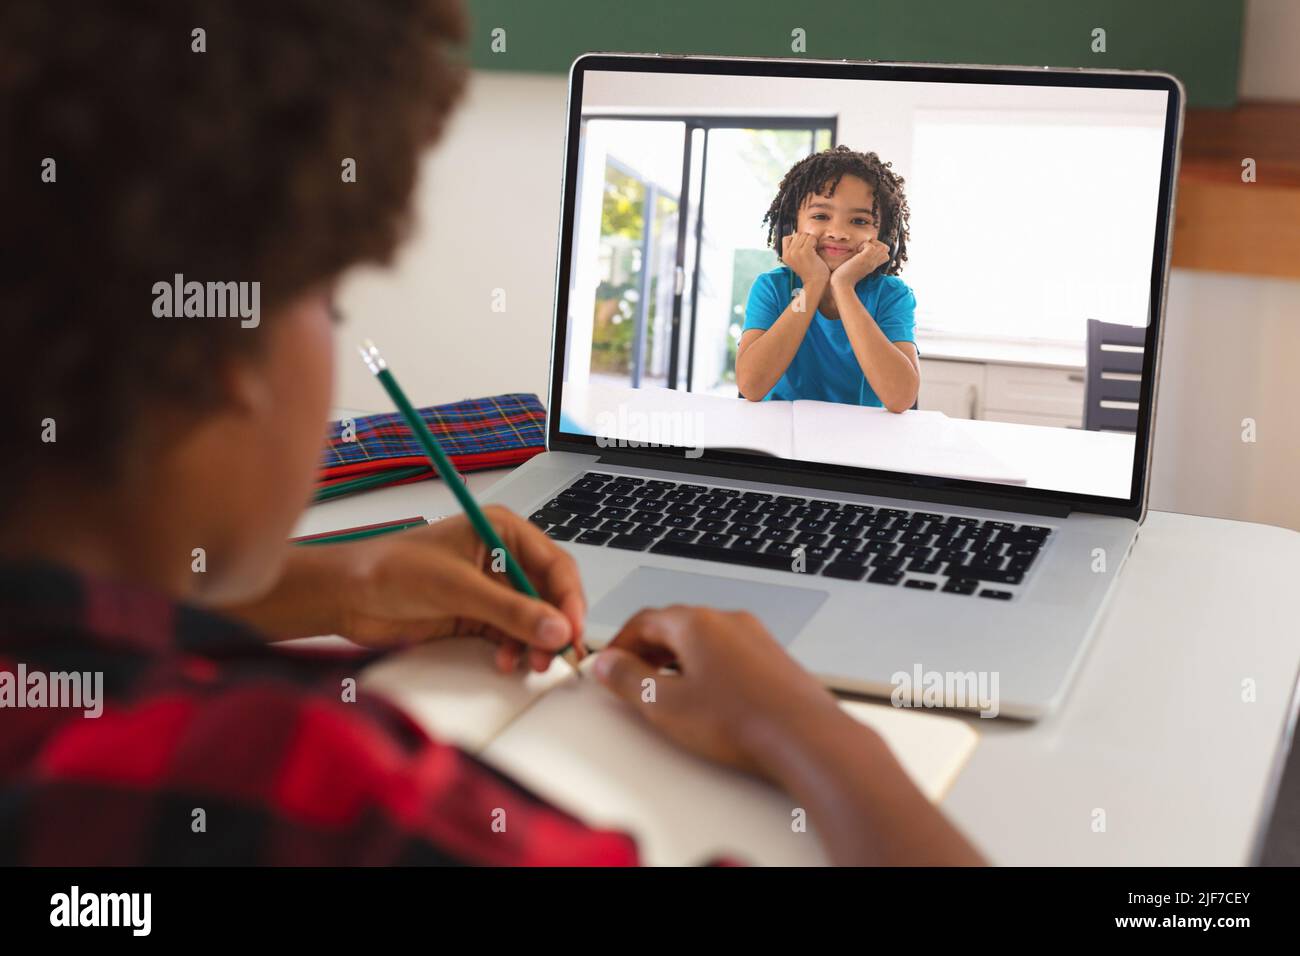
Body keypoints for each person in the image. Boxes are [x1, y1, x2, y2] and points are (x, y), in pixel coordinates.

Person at [0, 0, 983, 866]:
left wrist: (338, 579)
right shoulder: (296, 785)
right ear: (230, 361)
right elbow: (753, 380)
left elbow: (899, 398)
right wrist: (814, 729)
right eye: (329, 299)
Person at [738, 146, 922, 411]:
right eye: (821, 216)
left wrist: (843, 286)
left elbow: (901, 398)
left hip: (860, 442)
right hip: (779, 438)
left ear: (885, 237)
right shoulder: (773, 288)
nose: (838, 232)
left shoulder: (892, 296)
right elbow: (751, 386)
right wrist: (812, 285)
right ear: (791, 227)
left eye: (859, 221)